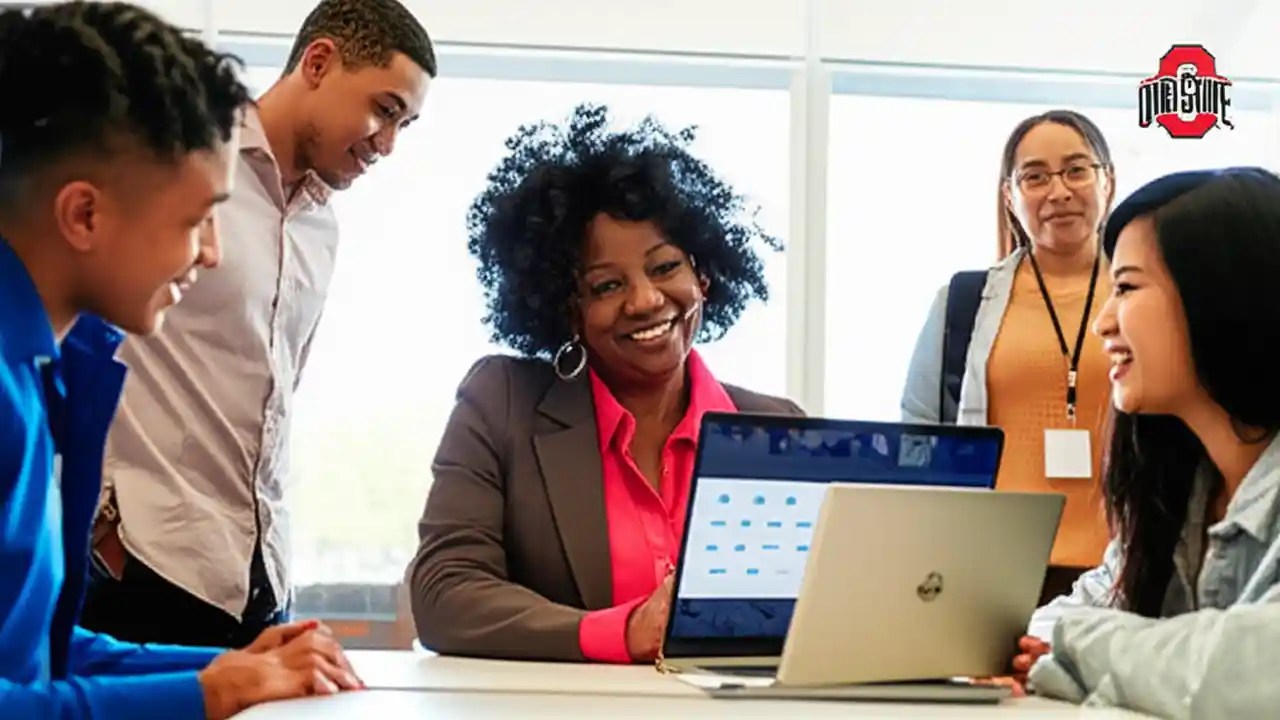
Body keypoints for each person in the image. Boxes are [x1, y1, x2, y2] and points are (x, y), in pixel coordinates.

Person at [0, 3, 360, 718]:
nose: (212, 253)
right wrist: (210, 691)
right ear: (85, 215)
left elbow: (30, 650)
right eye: (196, 221)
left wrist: (228, 664)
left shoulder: (39, 372)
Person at [80, 0, 437, 648]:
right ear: (320, 62)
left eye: (405, 126)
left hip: (258, 583)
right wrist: (101, 526)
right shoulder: (183, 158)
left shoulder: (322, 229)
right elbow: (83, 324)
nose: (387, 145)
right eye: (384, 110)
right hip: (141, 563)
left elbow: (274, 403)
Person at [406, 103, 803, 663]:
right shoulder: (502, 402)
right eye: (607, 285)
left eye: (665, 267)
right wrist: (622, 631)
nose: (644, 300)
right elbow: (444, 595)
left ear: (704, 276)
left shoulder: (779, 429)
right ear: (567, 310)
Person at [1011, 168, 1280, 718]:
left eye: (1128, 288)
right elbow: (1043, 628)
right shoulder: (1176, 499)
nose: (1102, 324)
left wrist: (1082, 649)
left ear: (1224, 295)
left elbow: (1255, 673)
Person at [900, 109, 1117, 603]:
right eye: (1035, 176)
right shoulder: (964, 302)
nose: (1058, 191)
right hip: (993, 573)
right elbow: (918, 432)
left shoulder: (1150, 296)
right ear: (1009, 196)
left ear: (1109, 181)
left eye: (1076, 170)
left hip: (1127, 571)